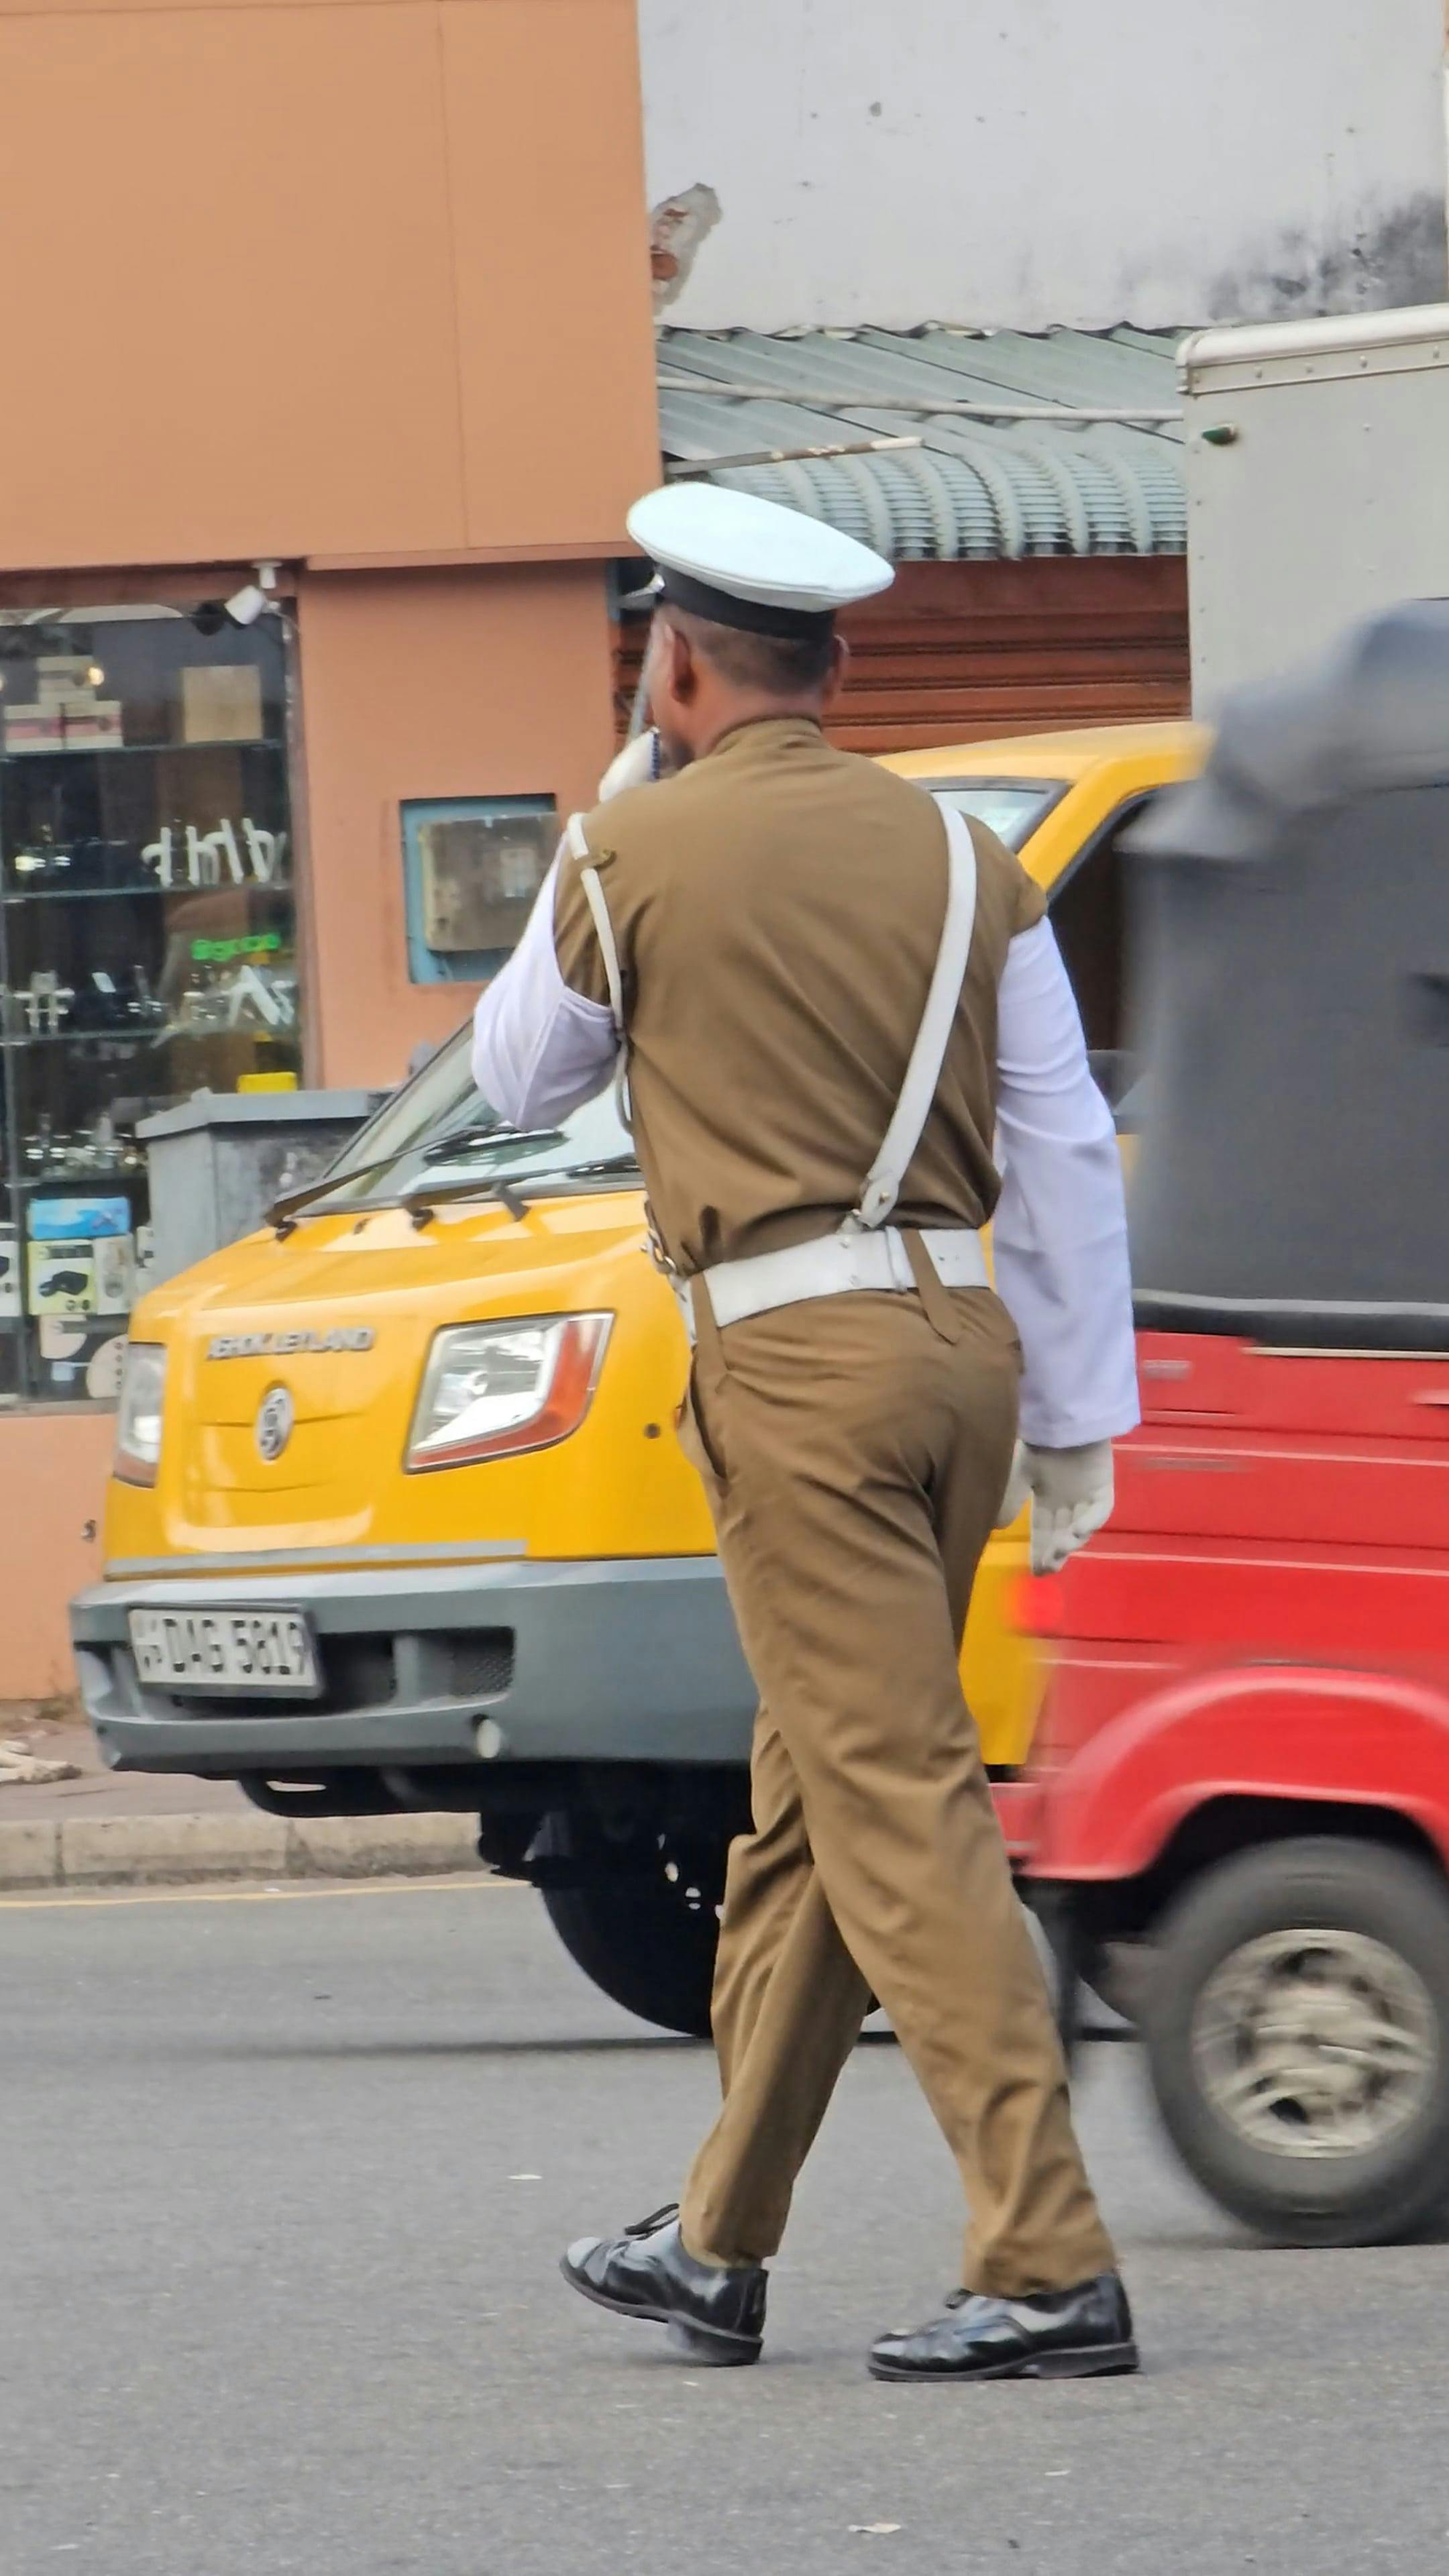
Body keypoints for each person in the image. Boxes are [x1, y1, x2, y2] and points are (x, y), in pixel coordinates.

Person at [472, 483, 1140, 2384]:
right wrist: (1083, 1419)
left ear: (674, 668)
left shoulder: (631, 849)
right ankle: (716, 2241)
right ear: (833, 670)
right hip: (962, 1355)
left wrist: (618, 798)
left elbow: (519, 1076)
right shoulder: (967, 858)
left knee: (895, 1797)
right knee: (814, 1805)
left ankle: (1047, 2260)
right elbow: (1065, 1143)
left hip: (794, 1369)